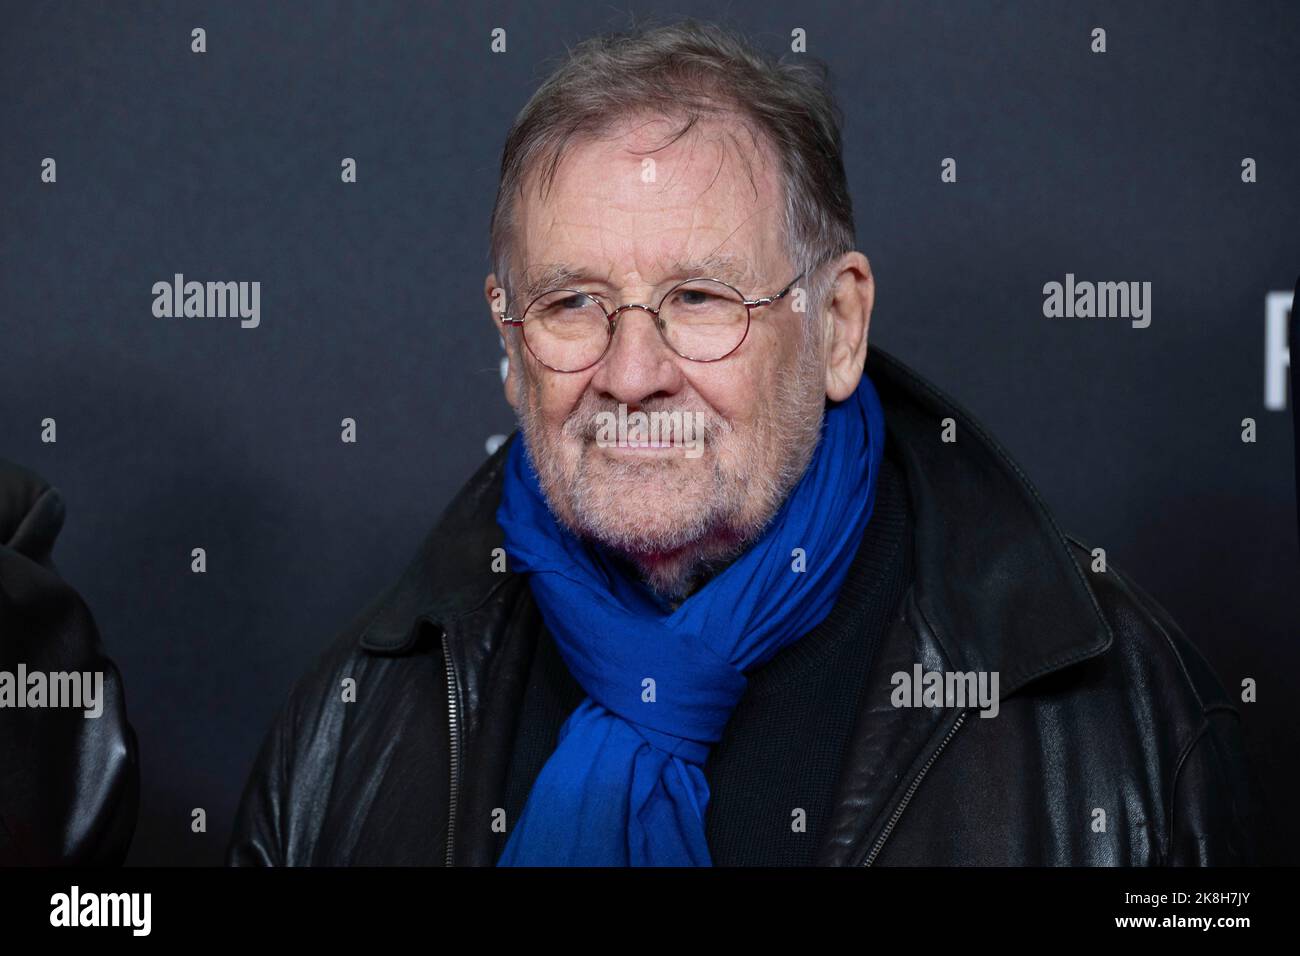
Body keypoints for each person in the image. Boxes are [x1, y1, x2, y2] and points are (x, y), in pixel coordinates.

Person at [228, 18, 1255, 866]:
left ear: (838, 326)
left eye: (699, 296)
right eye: (573, 302)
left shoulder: (1121, 718)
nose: (632, 375)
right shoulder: (353, 720)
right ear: (509, 342)